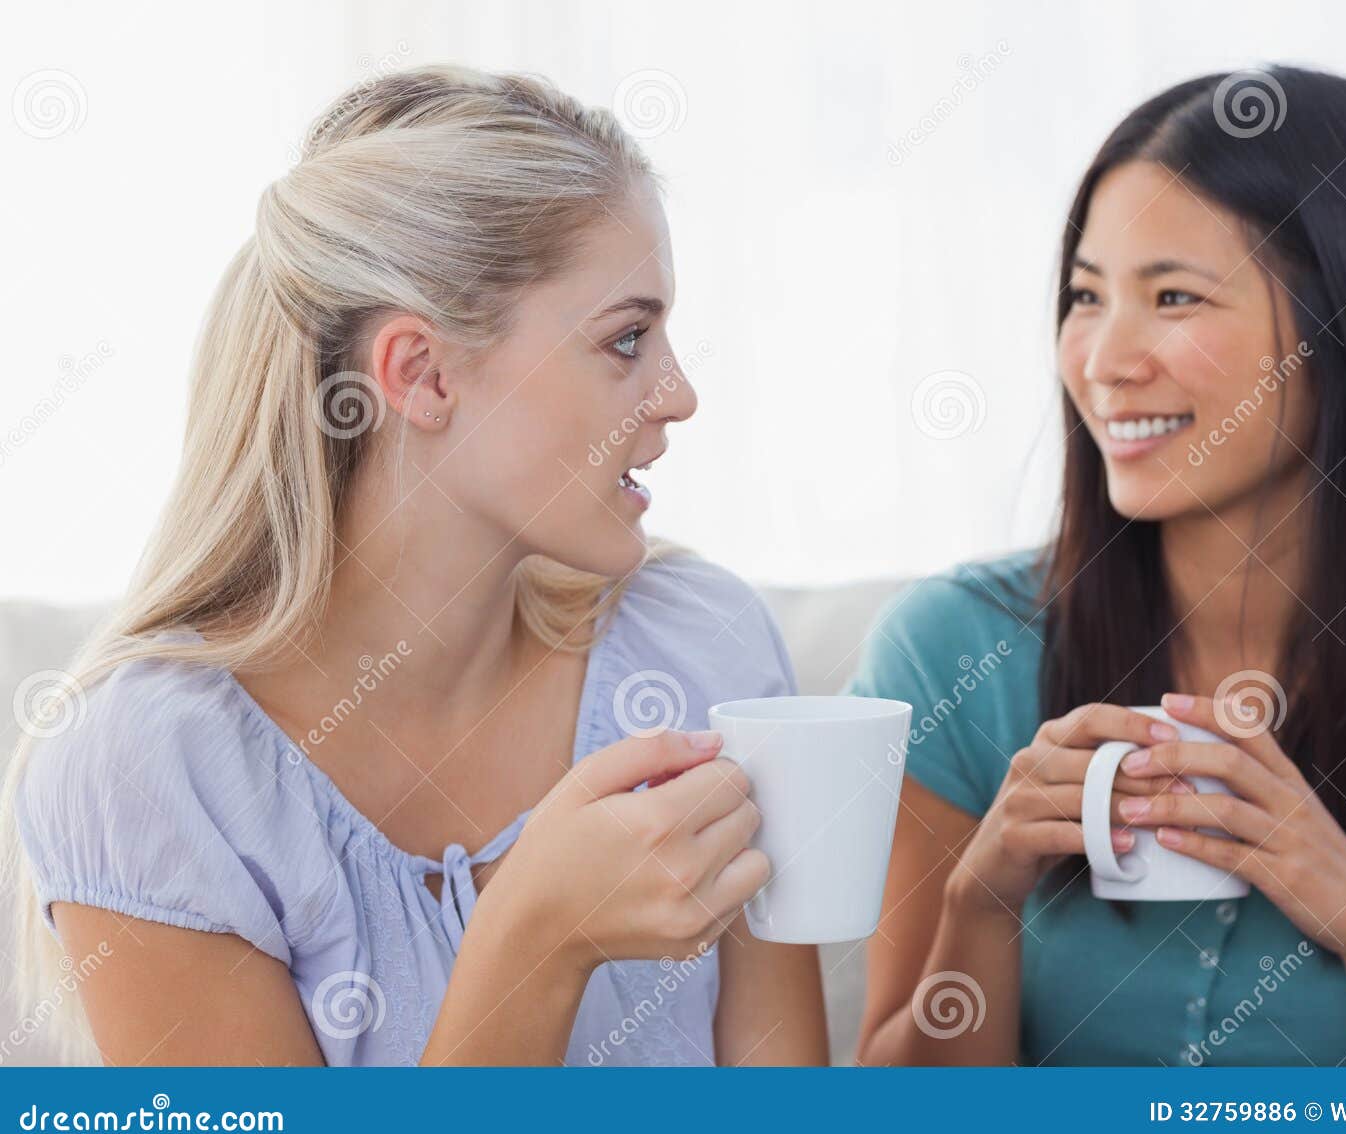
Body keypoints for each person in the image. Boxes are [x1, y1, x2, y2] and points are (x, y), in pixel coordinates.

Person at [2, 65, 827, 1067]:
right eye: (626, 339)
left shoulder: (701, 644)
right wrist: (536, 937)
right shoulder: (149, 771)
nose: (680, 393)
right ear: (422, 374)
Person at [848, 66, 1346, 1066]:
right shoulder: (951, 652)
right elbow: (894, 1124)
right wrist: (980, 898)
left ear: (1344, 331)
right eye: (1085, 295)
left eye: (1172, 296)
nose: (1106, 358)